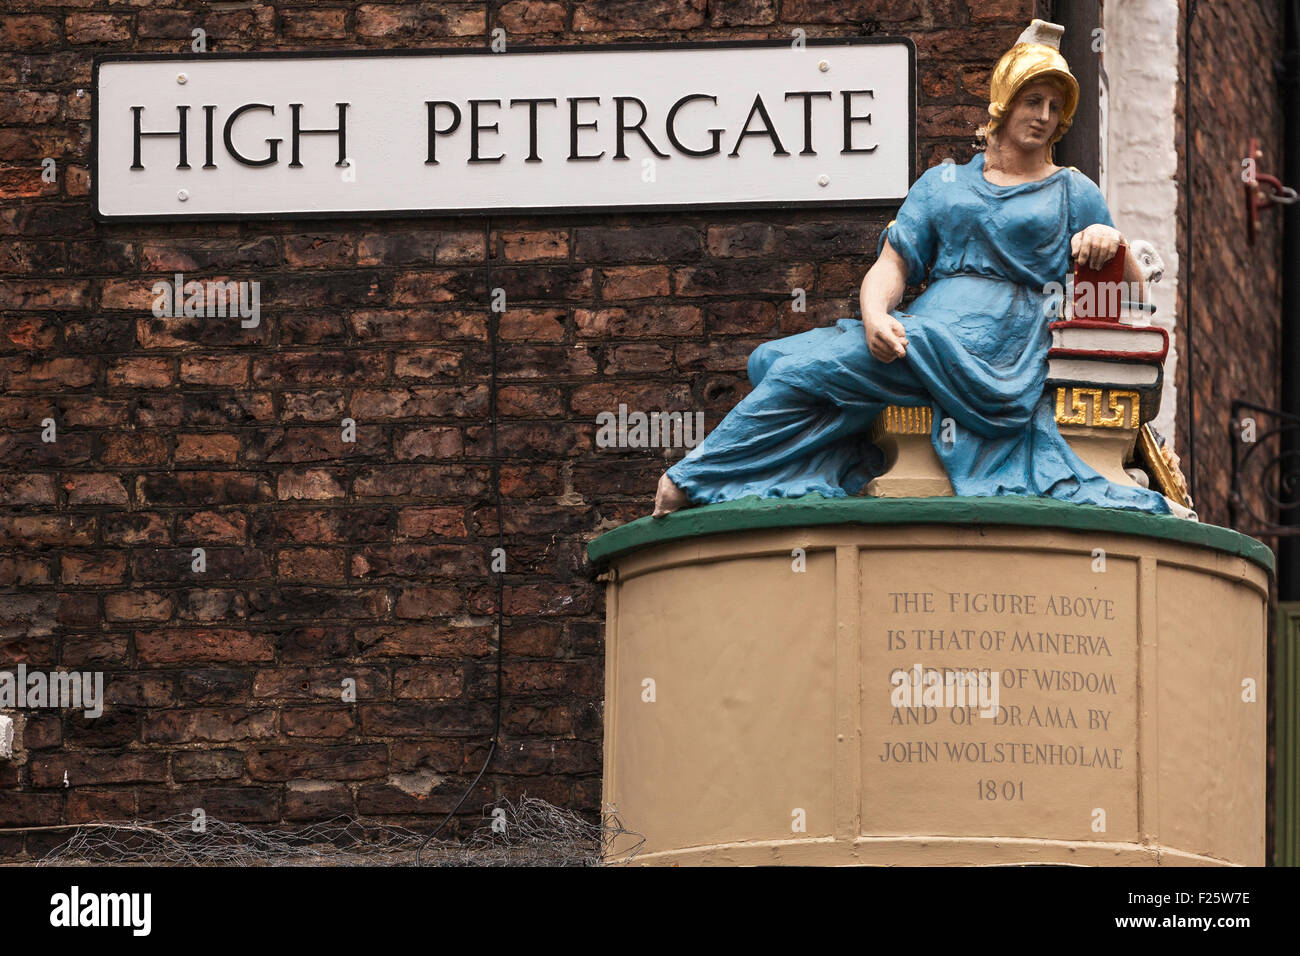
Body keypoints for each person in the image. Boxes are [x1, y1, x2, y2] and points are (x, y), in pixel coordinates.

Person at [653, 20, 1186, 520]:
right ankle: (805, 473)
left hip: (997, 345)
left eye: (1054, 105)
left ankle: (691, 480)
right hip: (927, 327)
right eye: (1032, 99)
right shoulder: (944, 182)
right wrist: (873, 316)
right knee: (767, 359)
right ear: (1004, 102)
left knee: (797, 371)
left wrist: (1110, 243)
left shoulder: (1073, 190)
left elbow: (1131, 302)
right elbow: (893, 264)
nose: (1044, 115)